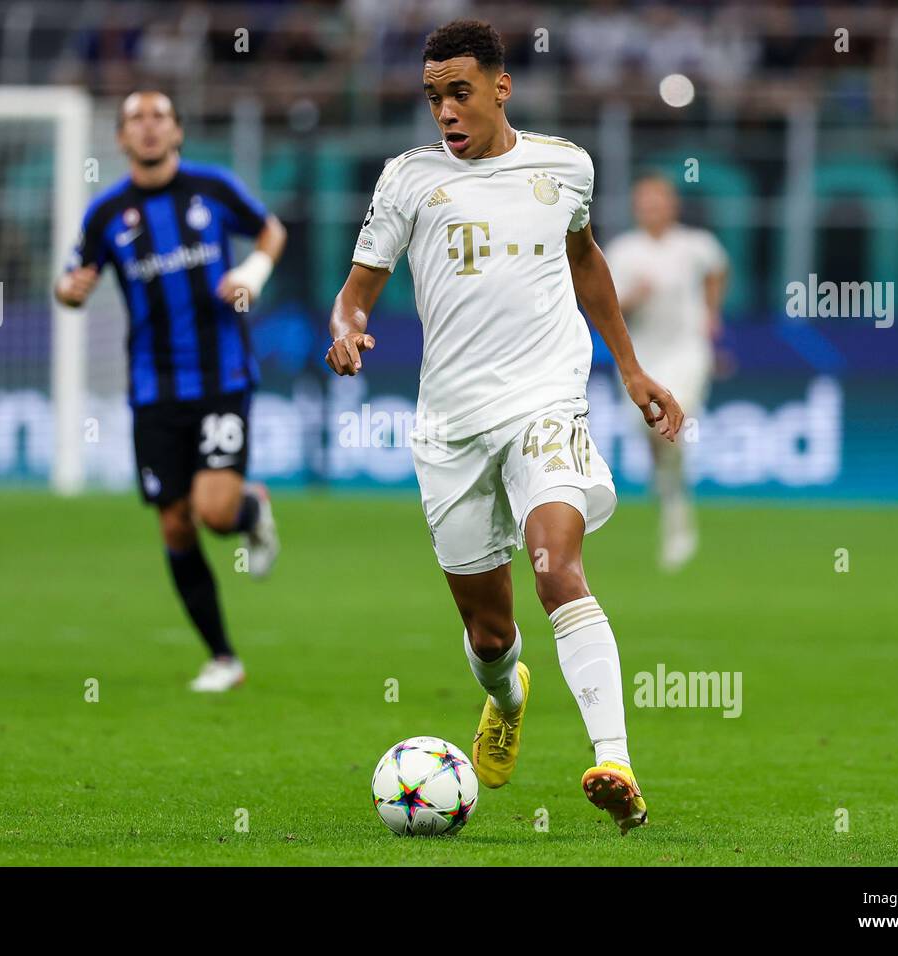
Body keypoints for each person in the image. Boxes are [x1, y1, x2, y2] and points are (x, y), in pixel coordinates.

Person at [326, 21, 683, 833]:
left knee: (560, 571)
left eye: (458, 93)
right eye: (432, 97)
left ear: (499, 87)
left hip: (545, 404)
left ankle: (615, 761)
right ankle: (506, 698)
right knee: (490, 633)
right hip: (450, 426)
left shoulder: (564, 166)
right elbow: (358, 289)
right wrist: (346, 328)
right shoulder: (409, 181)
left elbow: (585, 258)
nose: (444, 112)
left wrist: (629, 368)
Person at [55, 90, 287, 692]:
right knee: (175, 526)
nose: (149, 128)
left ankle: (251, 509)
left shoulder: (211, 189)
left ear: (178, 131)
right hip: (152, 390)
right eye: (136, 119)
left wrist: (250, 275)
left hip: (221, 379)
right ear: (121, 138)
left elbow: (271, 231)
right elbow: (71, 276)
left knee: (212, 513)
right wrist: (69, 290)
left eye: (160, 117)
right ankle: (223, 659)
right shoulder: (106, 214)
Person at [607, 174, 727, 571]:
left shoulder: (695, 245)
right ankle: (664, 478)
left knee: (677, 419)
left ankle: (677, 517)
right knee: (650, 430)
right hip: (641, 359)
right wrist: (634, 298)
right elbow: (607, 308)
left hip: (687, 351)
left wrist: (711, 314)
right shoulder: (623, 252)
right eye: (644, 202)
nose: (651, 209)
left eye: (657, 201)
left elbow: (717, 270)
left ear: (671, 205)